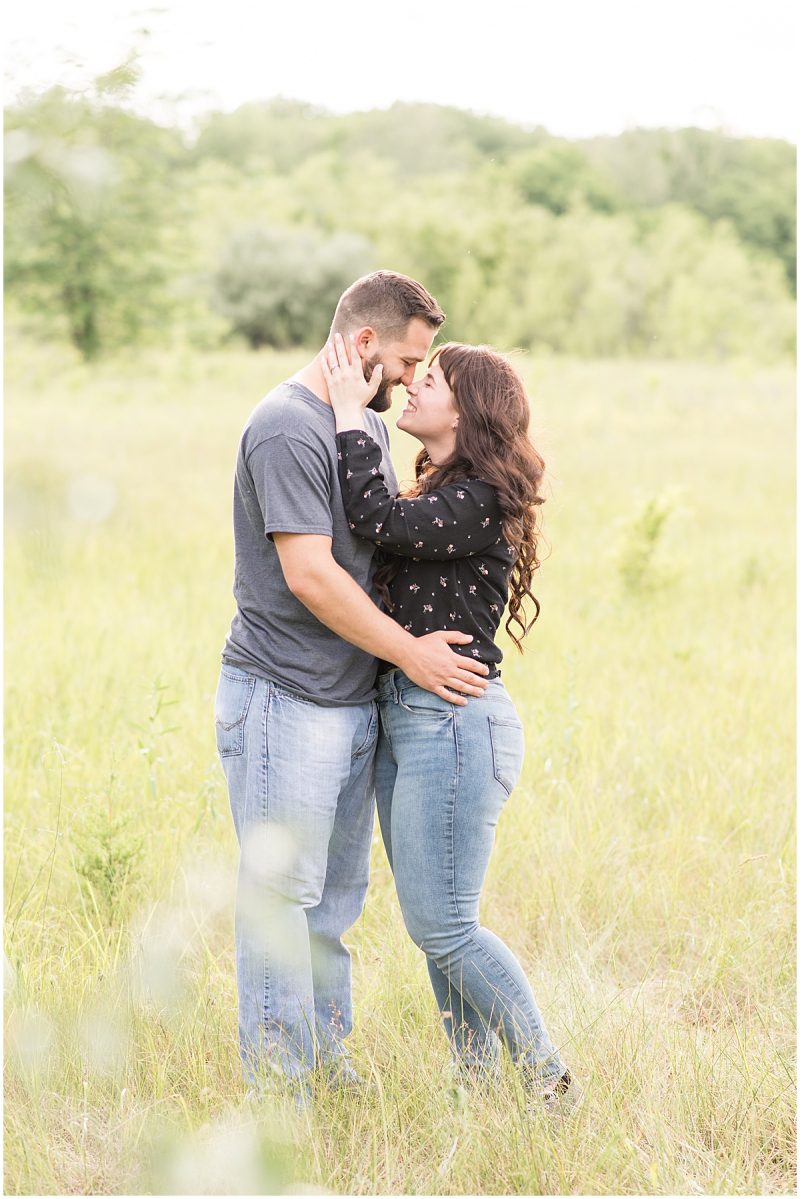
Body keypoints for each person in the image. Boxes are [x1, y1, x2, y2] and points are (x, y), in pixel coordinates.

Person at [215, 272, 491, 1098]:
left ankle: (327, 1068)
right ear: (363, 344)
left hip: (349, 703)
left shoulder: (358, 425)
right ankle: (279, 1093)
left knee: (333, 906)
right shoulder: (285, 427)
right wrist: (411, 653)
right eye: (408, 358)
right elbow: (312, 575)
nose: (414, 376)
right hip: (285, 698)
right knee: (281, 901)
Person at [320, 331, 580, 1114]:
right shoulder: (444, 488)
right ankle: (475, 1082)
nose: (413, 387)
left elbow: (375, 521)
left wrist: (344, 413)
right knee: (432, 923)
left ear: (468, 409)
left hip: (455, 722)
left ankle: (548, 1079)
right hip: (413, 717)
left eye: (429, 379)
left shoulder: (477, 498)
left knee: (447, 925)